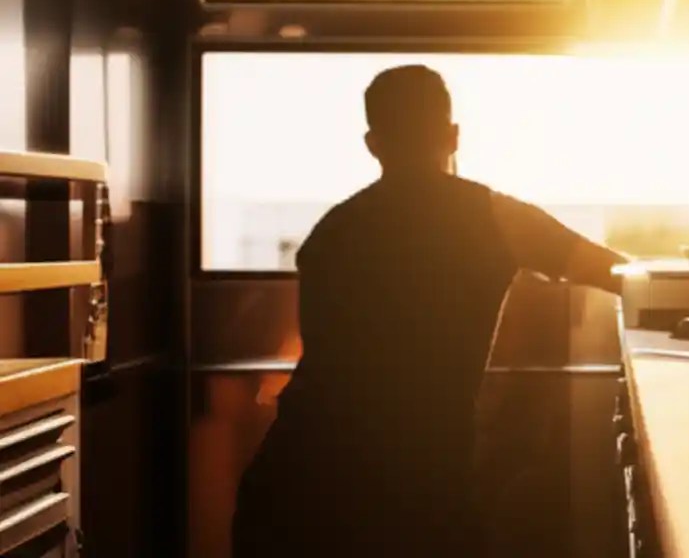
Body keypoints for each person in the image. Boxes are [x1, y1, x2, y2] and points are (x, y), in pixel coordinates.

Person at [231, 65, 628, 556]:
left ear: (373, 143)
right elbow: (620, 275)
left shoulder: (332, 232)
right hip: (417, 481)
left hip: (299, 478)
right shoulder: (495, 217)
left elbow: (322, 359)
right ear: (452, 135)